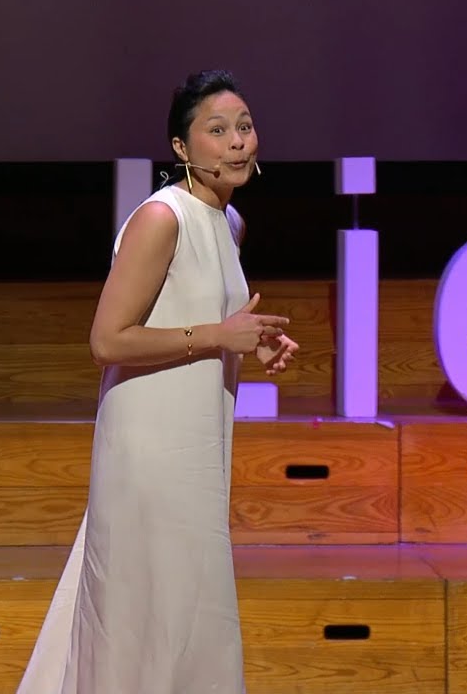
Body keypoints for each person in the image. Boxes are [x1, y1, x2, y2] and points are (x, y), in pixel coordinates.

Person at [18, 69, 300, 693]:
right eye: (217, 130)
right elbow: (107, 341)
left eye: (245, 127)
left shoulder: (229, 224)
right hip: (148, 451)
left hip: (198, 445)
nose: (237, 143)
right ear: (181, 149)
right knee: (148, 609)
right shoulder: (161, 217)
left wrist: (253, 339)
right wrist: (218, 336)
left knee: (188, 607)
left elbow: (205, 319)